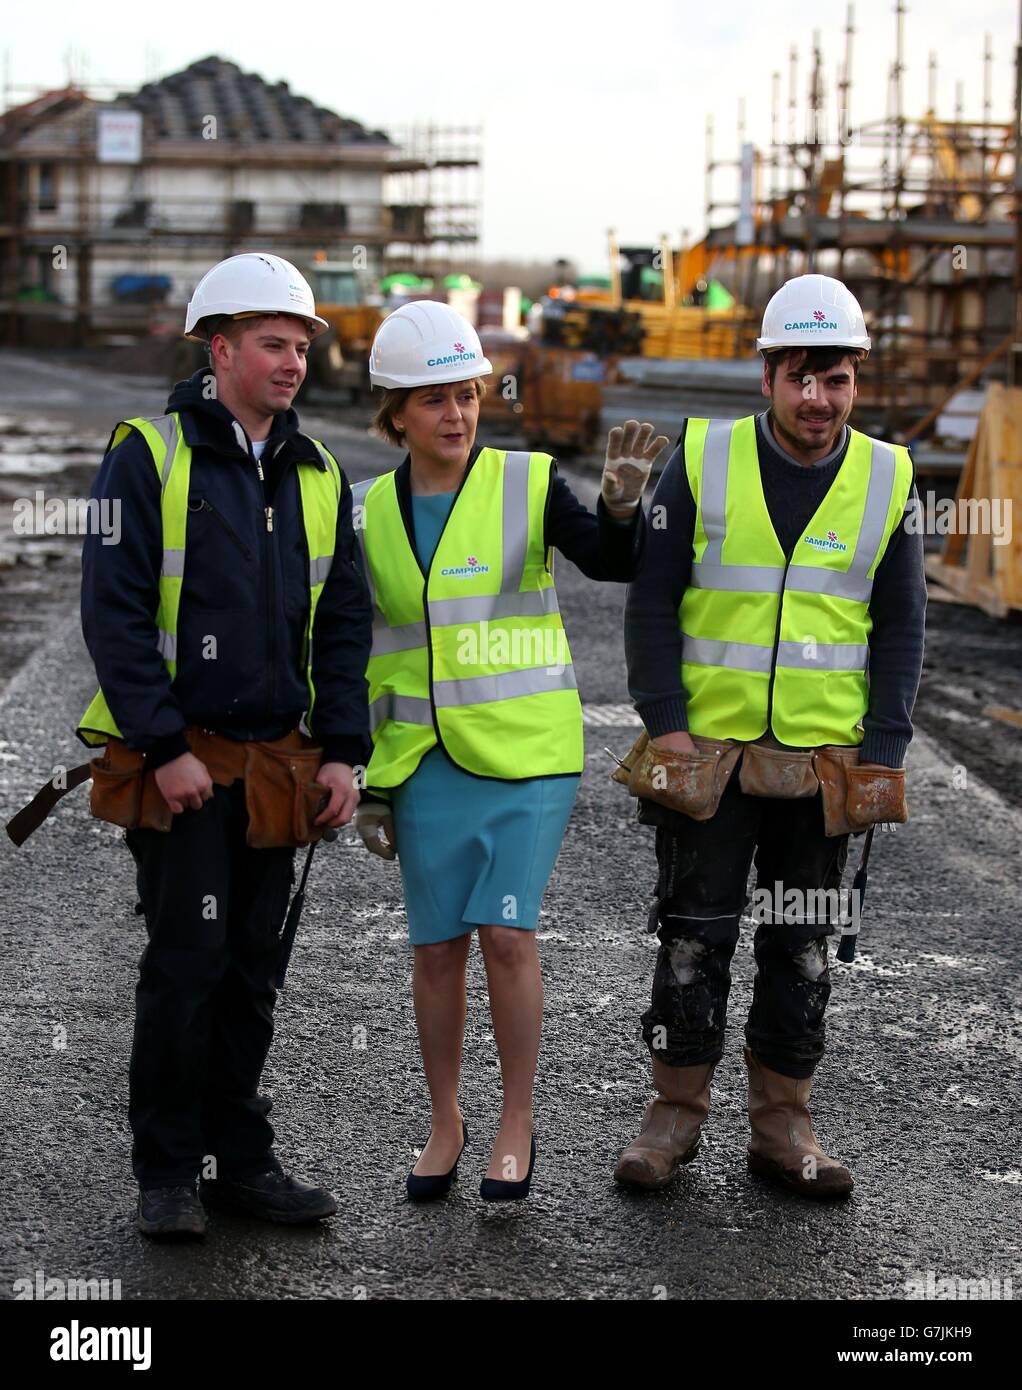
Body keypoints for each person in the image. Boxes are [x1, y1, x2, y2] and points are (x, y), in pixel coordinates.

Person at [79, 252, 372, 1238]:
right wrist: (163, 746)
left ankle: (235, 1160)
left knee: (254, 971)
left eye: (300, 347)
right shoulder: (149, 455)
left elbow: (342, 621)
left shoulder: (319, 471)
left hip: (279, 764)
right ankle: (166, 1171)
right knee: (186, 964)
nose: (292, 363)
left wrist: (341, 749)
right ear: (220, 349)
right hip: (184, 767)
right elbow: (114, 614)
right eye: (273, 344)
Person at [616, 274, 926, 1198]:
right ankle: (672, 1116)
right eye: (799, 377)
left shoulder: (888, 476)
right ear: (766, 376)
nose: (817, 400)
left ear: (855, 378)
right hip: (708, 757)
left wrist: (888, 744)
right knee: (691, 934)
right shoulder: (703, 459)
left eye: (834, 380)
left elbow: (902, 624)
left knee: (803, 941)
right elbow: (652, 602)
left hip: (826, 761)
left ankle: (783, 1124)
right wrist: (665, 726)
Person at [351, 300, 666, 1200]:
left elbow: (609, 561)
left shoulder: (529, 482)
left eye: (469, 394)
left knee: (506, 937)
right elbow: (353, 650)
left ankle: (516, 1119)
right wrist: (368, 778)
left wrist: (618, 508)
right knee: (436, 949)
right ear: (396, 414)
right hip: (422, 762)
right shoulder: (367, 511)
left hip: (528, 756)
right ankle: (446, 1119)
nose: (457, 415)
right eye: (436, 400)